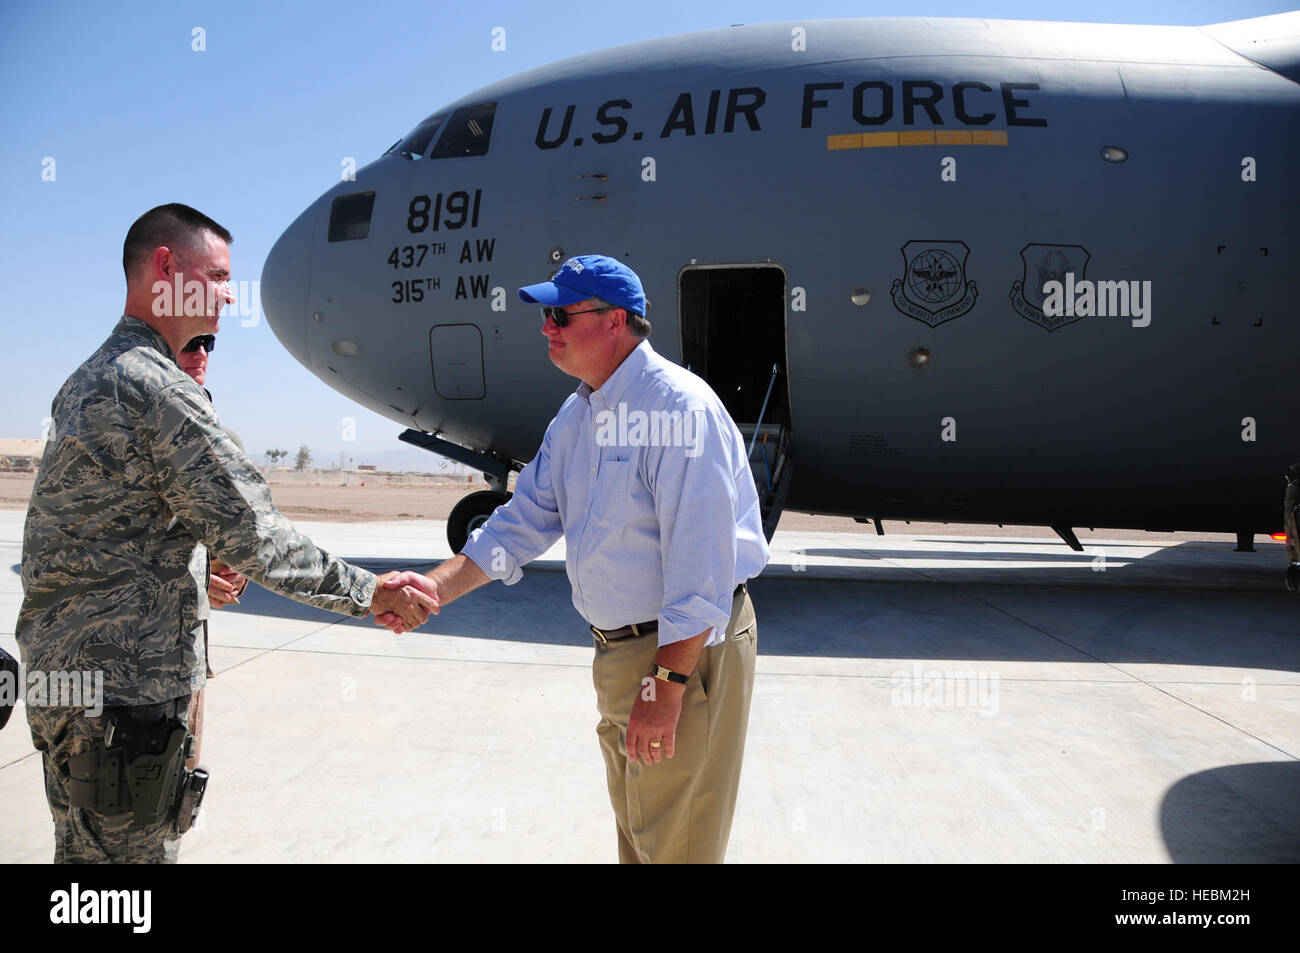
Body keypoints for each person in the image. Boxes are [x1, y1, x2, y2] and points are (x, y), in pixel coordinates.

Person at [17, 203, 434, 864]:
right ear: (165, 268)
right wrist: (372, 590)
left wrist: (185, 570)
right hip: (123, 697)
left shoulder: (88, 379)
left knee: (82, 861)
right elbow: (258, 536)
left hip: (65, 683)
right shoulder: (158, 391)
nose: (228, 295)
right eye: (215, 276)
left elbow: (100, 535)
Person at [380, 255, 769, 863]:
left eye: (560, 313)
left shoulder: (677, 409)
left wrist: (665, 688)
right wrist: (432, 589)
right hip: (622, 656)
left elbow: (704, 569)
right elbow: (521, 521)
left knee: (677, 847)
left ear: (615, 321)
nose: (546, 327)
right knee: (642, 839)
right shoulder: (579, 414)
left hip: (681, 658)